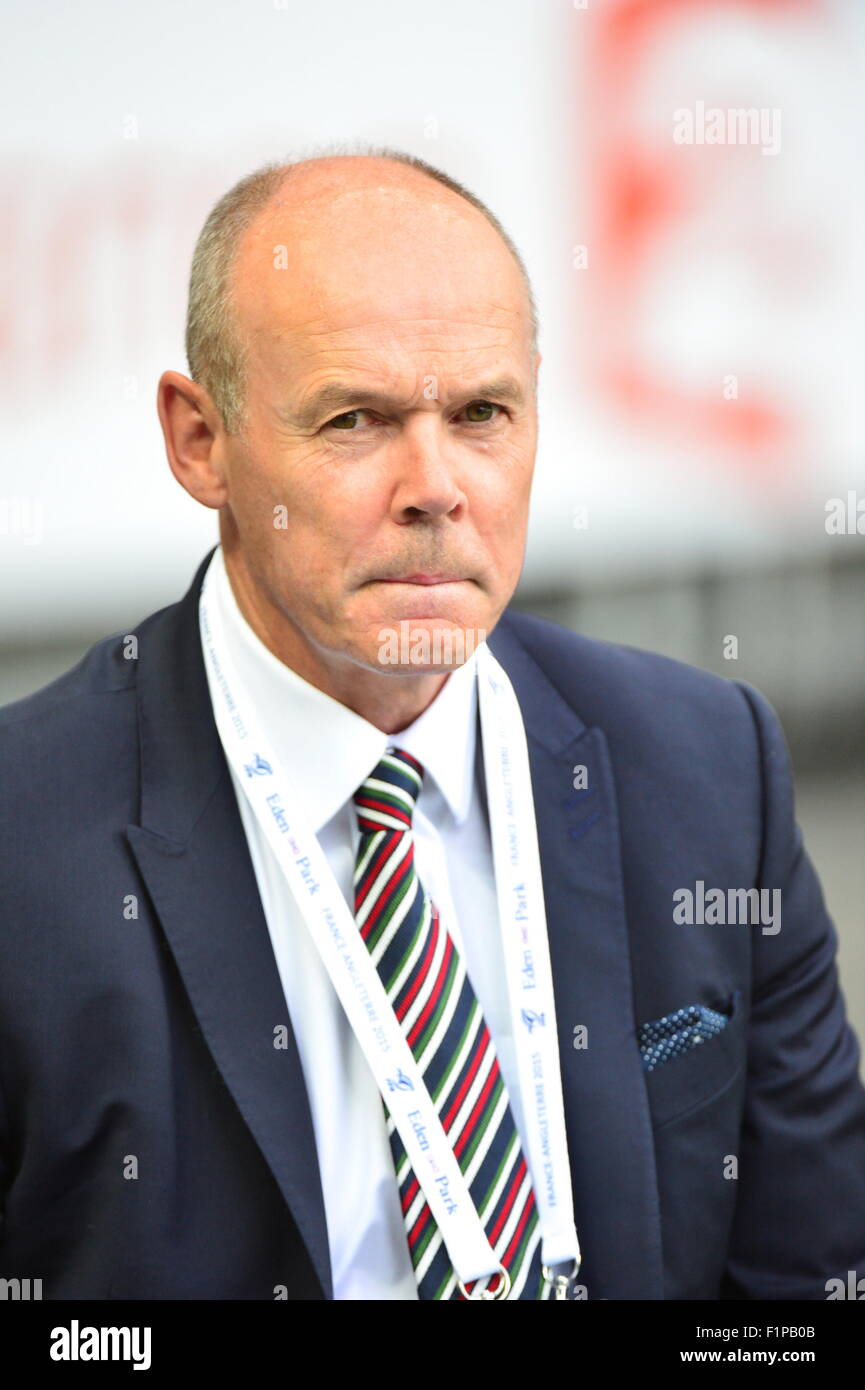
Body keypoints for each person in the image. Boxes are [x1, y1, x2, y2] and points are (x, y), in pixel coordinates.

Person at [1, 147, 864, 1301]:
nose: (434, 484)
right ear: (200, 440)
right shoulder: (24, 842)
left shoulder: (711, 772)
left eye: (481, 413)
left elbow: (802, 1287)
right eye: (354, 419)